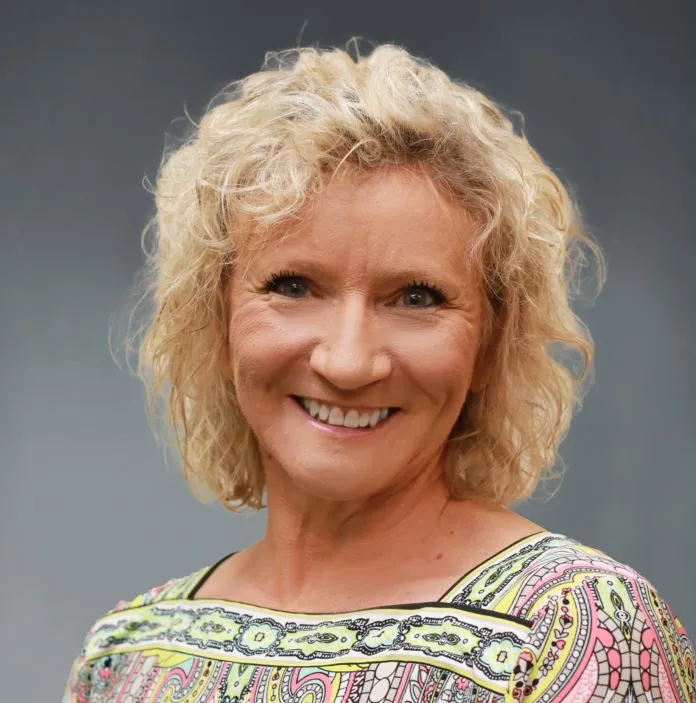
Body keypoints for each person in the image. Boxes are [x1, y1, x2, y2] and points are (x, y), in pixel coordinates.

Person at [63, 42, 694, 702]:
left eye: (417, 297)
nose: (347, 362)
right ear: (215, 319)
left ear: (491, 343)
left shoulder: (571, 630)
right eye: (293, 285)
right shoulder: (124, 655)